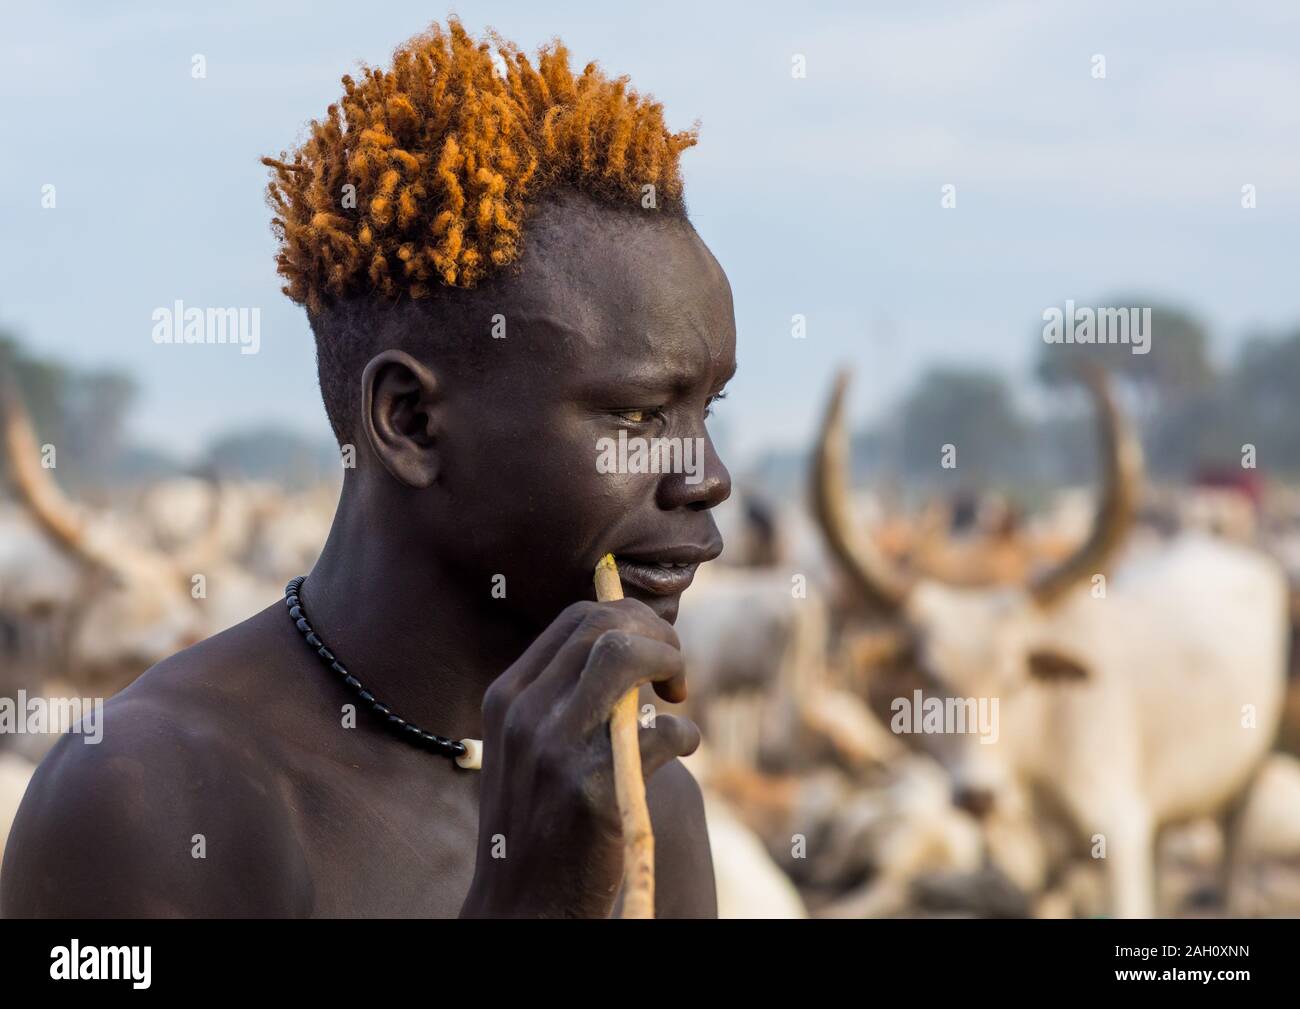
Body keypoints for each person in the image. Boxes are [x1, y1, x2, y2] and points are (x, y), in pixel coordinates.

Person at [1, 18, 735, 918]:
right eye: (637, 413)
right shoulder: (146, 800)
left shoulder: (648, 801)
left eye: (709, 410)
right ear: (409, 421)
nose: (707, 476)